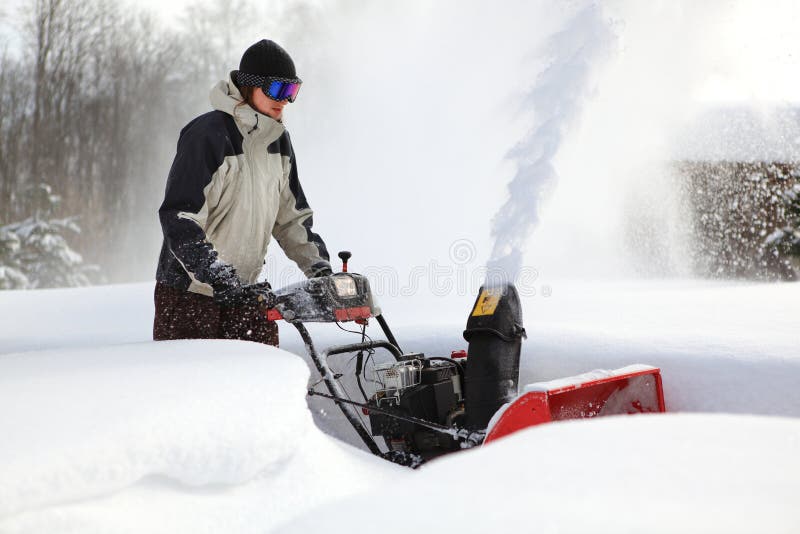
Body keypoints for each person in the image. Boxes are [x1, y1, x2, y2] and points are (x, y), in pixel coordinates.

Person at [153, 39, 332, 347]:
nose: (285, 101)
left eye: (292, 92)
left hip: (243, 292)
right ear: (250, 87)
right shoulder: (208, 136)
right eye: (278, 90)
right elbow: (179, 217)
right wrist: (212, 271)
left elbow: (291, 220)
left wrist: (321, 272)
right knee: (195, 390)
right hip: (190, 296)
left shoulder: (278, 142)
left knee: (259, 382)